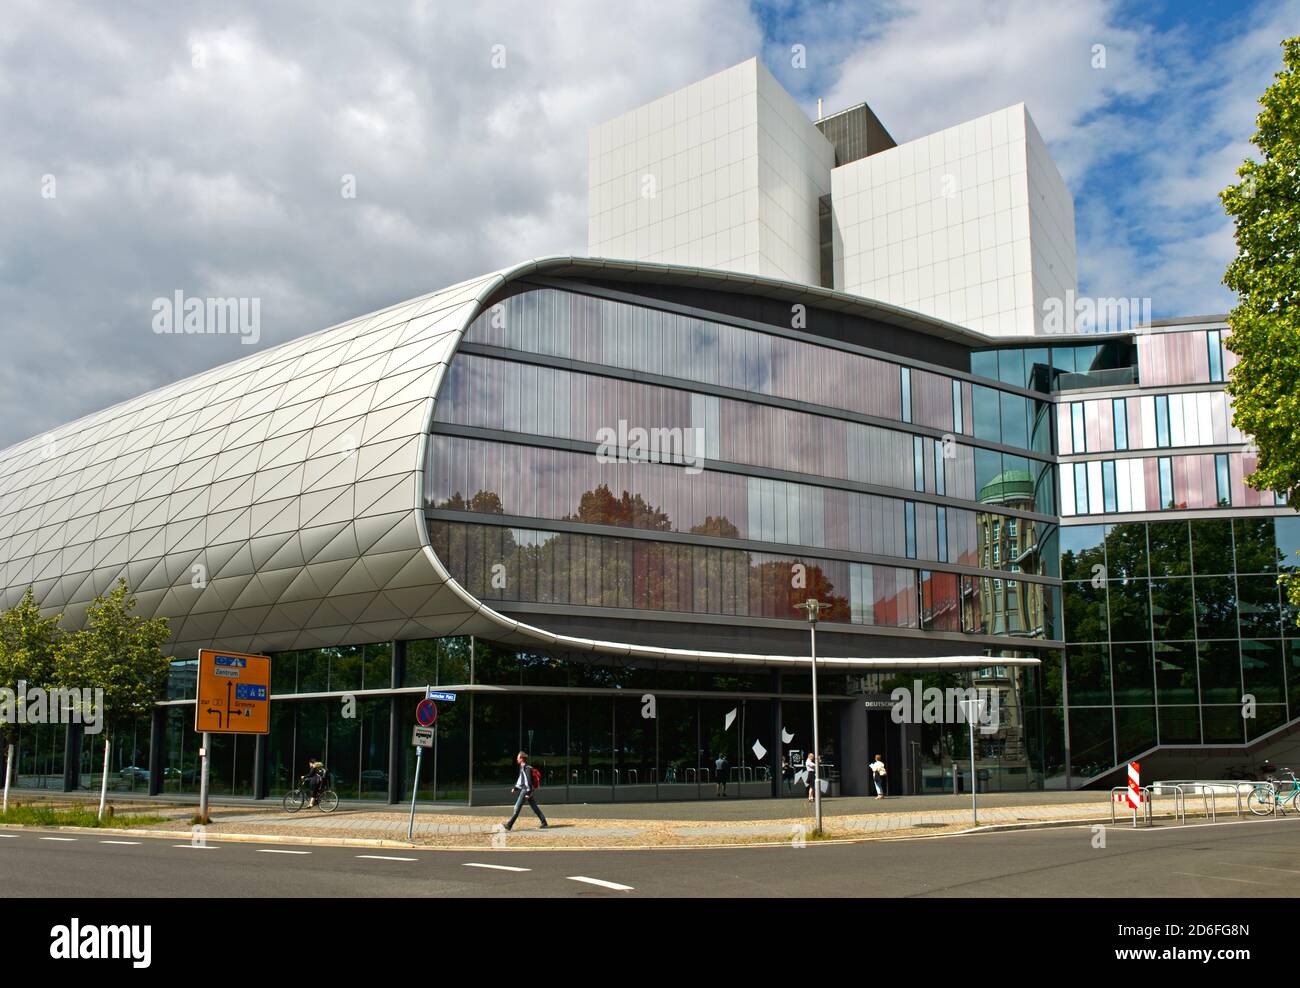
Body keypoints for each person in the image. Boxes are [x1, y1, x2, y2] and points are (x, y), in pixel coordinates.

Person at [503, 751, 548, 831]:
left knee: (517, 807)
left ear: (521, 759)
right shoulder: (523, 767)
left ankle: (509, 825)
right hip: (527, 790)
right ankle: (544, 822)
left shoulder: (526, 768)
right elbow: (522, 780)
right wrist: (516, 788)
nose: (517, 759)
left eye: (518, 757)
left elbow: (528, 781)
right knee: (534, 807)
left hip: (526, 790)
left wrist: (528, 793)